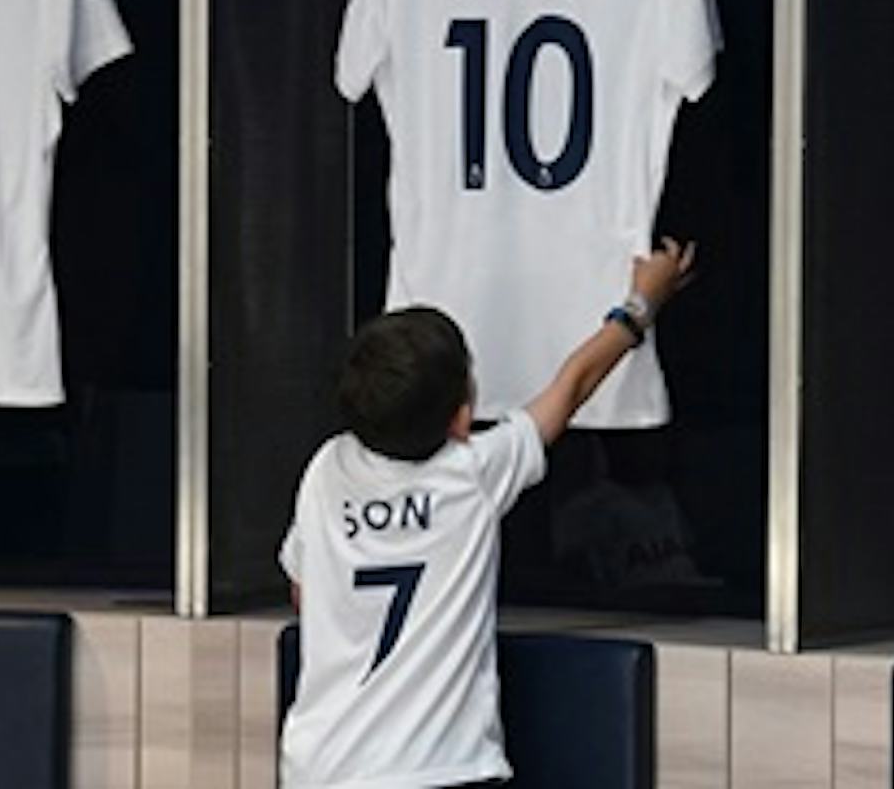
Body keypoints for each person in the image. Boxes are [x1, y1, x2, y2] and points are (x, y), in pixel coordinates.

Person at [280, 238, 697, 789]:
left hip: (322, 769)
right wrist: (640, 304)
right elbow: (571, 386)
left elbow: (304, 594)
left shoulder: (326, 471)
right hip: (441, 771)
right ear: (461, 419)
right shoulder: (472, 474)